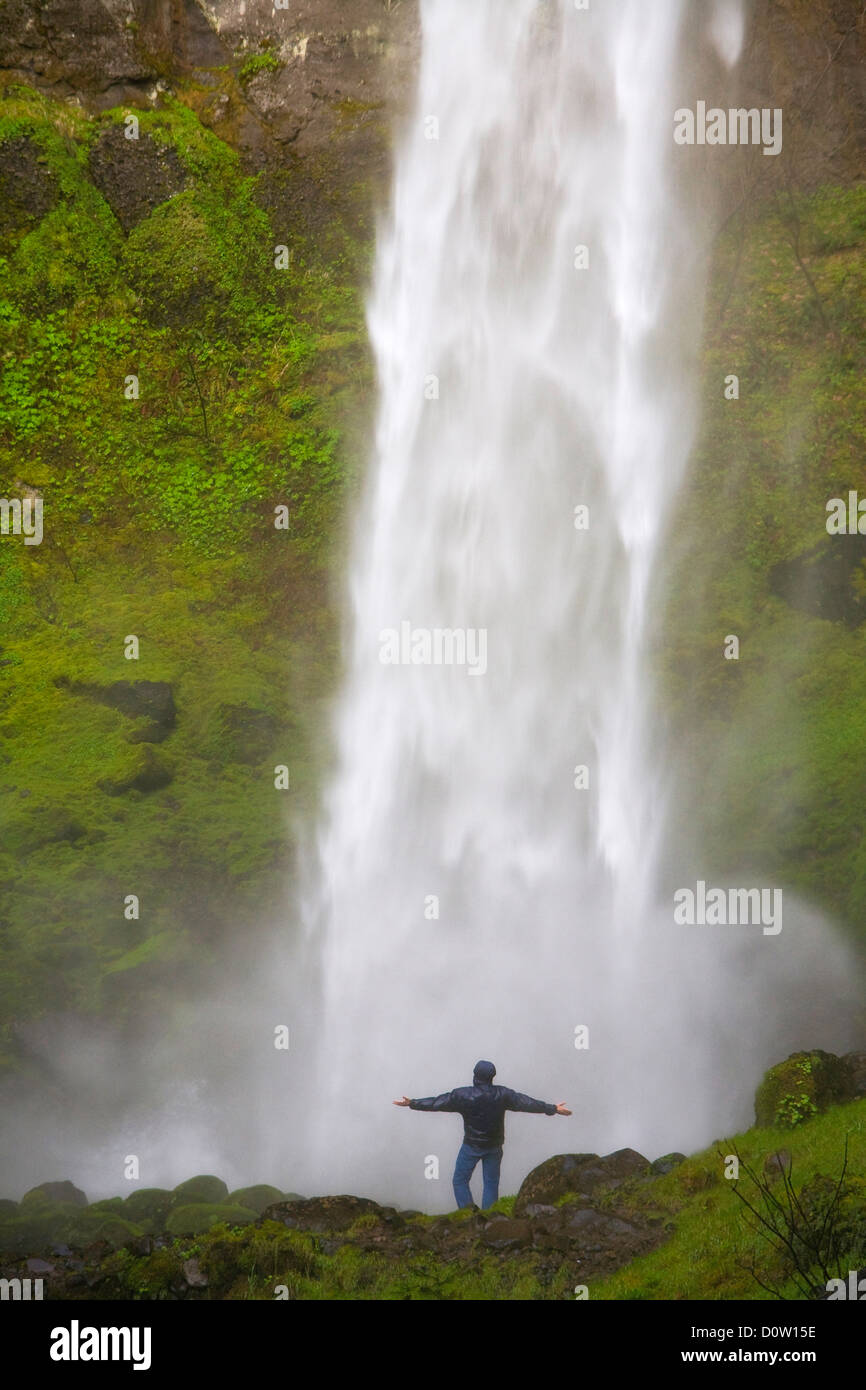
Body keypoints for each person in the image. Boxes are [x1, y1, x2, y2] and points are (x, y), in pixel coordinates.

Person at [394, 1059, 571, 1210]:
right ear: (492, 1076)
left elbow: (436, 1103)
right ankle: (490, 1218)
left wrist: (412, 1103)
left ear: (475, 1076)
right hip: (494, 1146)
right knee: (491, 1183)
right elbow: (528, 1103)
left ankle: (468, 1214)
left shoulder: (462, 1095)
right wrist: (553, 1108)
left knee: (460, 1181)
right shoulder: (503, 1094)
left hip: (471, 1146)